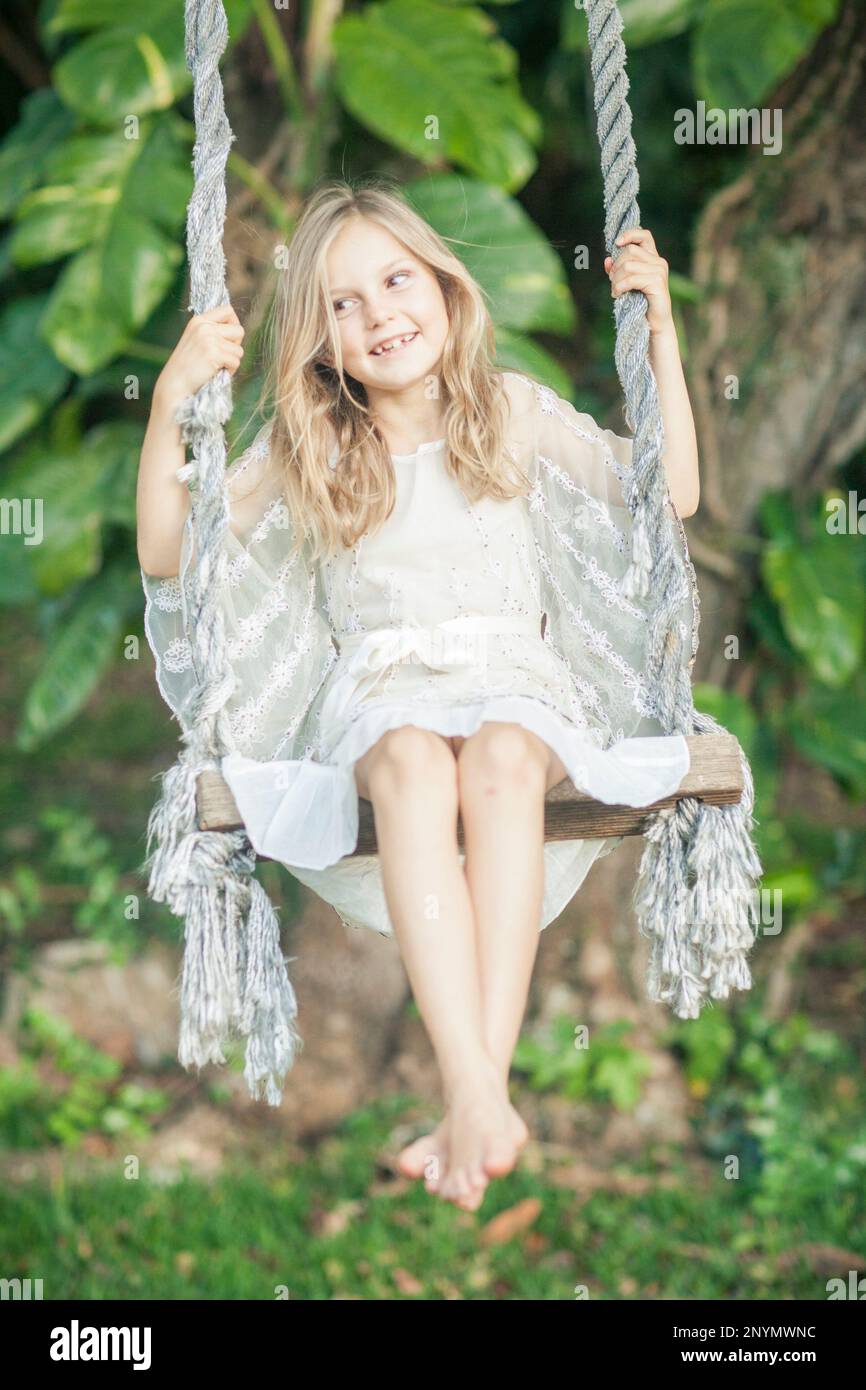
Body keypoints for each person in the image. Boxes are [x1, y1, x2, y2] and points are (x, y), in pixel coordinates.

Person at [136, 178, 700, 1213]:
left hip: (512, 688)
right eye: (342, 304)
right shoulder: (314, 444)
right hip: (381, 691)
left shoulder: (510, 409)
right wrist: (173, 398)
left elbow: (665, 495)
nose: (378, 313)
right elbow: (173, 551)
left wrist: (657, 329)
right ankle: (478, 1091)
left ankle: (469, 1100)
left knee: (497, 755)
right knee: (403, 751)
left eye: (396, 280)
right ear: (317, 339)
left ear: (444, 288)